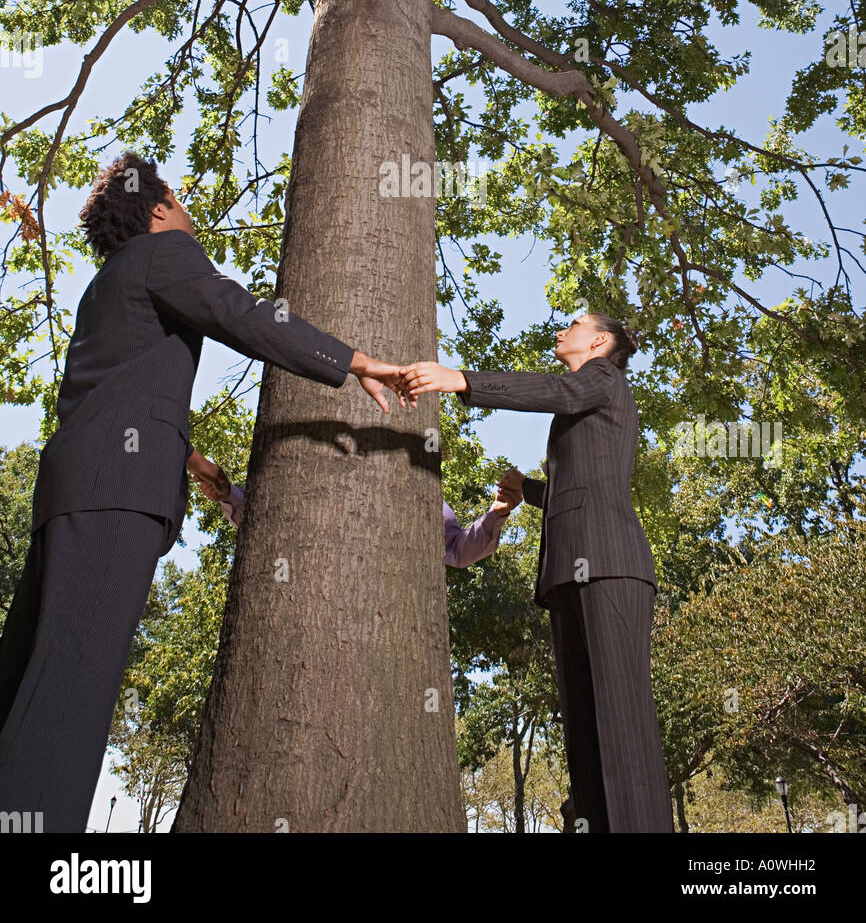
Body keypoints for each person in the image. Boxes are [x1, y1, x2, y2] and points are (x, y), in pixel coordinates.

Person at [0, 151, 410, 833]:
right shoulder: (166, 254)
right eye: (179, 198)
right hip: (116, 495)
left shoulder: (103, 287)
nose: (188, 210)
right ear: (159, 208)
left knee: (23, 685)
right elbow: (242, 314)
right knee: (69, 694)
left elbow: (115, 390)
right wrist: (356, 361)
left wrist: (186, 458)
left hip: (70, 490)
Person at [400, 314, 673, 833]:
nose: (560, 331)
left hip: (610, 566)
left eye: (574, 324)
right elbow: (582, 487)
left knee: (622, 724)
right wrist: (527, 490)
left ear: (599, 340)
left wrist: (461, 380)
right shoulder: (592, 396)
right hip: (567, 572)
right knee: (584, 732)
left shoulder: (601, 377)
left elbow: (558, 392)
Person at [188, 451, 523, 567]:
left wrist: (497, 513)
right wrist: (229, 495)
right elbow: (276, 525)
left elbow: (457, 551)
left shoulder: (424, 499)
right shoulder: (317, 470)